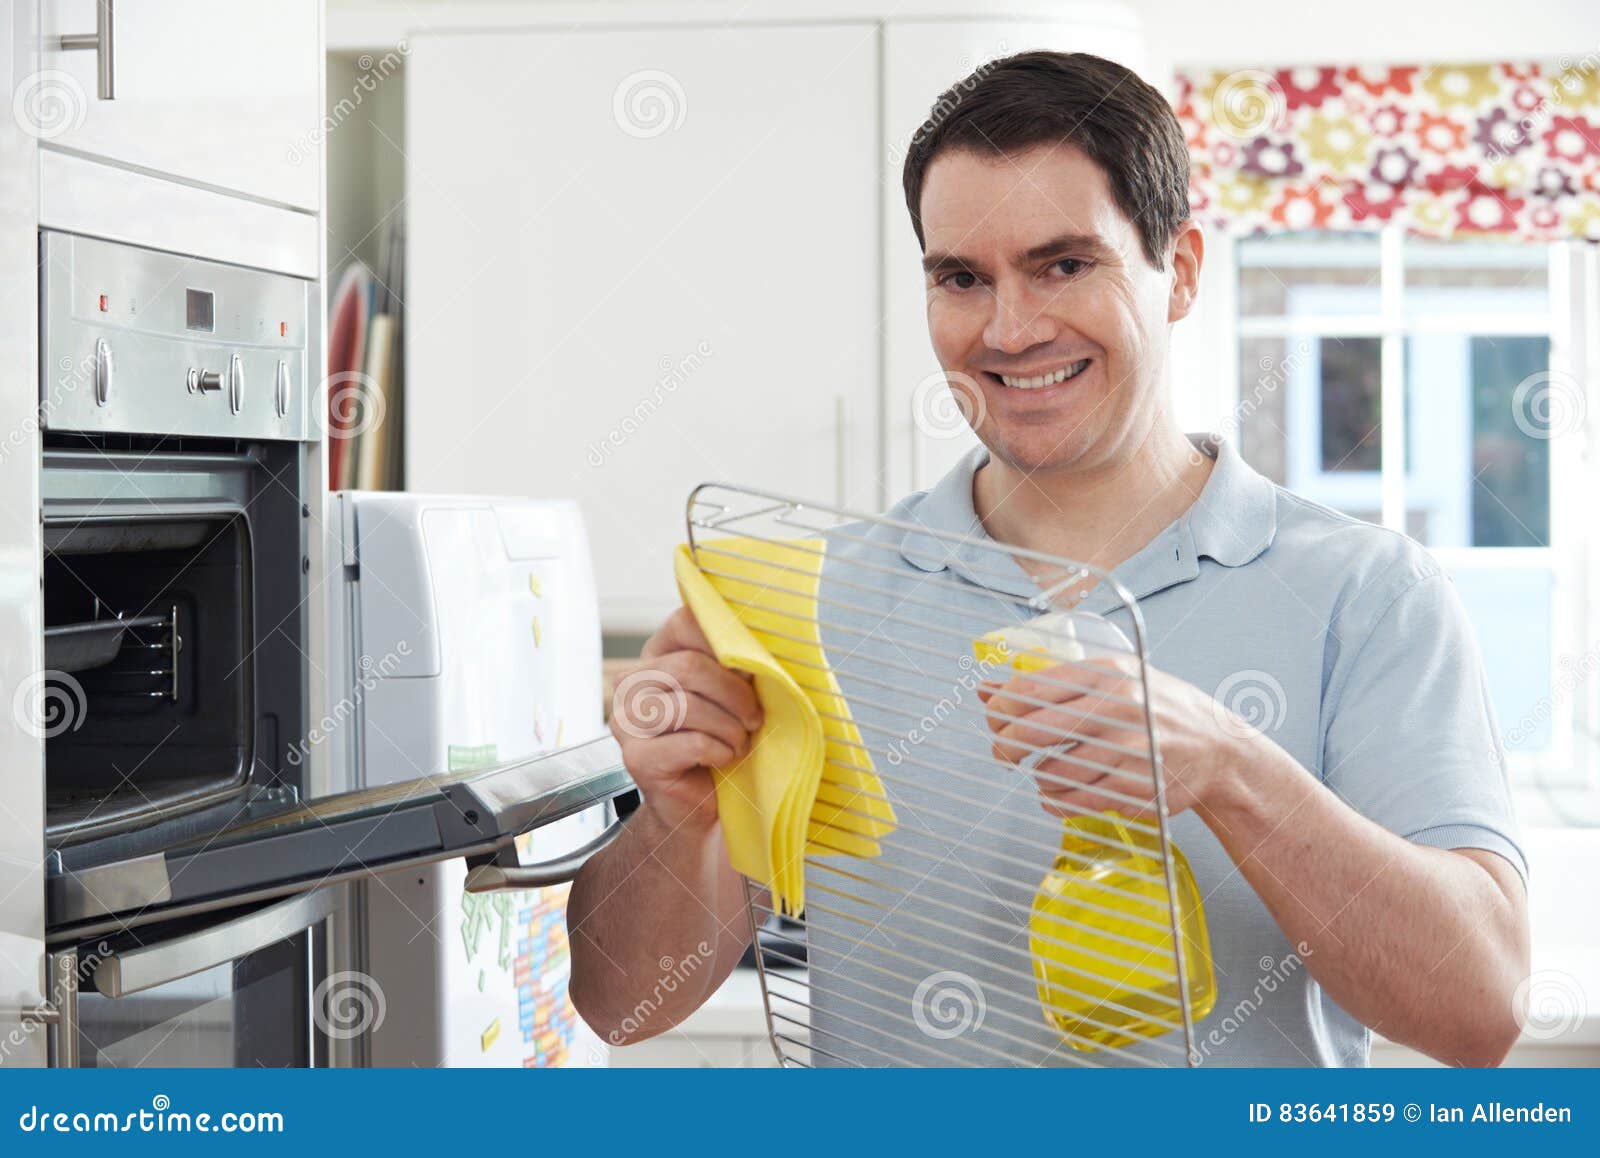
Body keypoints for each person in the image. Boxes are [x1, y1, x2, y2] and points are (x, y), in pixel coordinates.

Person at [568, 50, 1530, 1066]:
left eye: (1064, 264)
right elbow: (618, 1007)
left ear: (1182, 272)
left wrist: (1235, 771)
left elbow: (1479, 1014)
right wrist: (679, 820)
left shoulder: (1366, 596)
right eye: (961, 278)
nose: (1010, 328)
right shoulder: (814, 599)